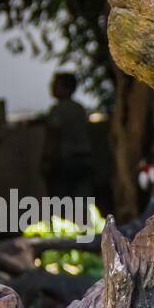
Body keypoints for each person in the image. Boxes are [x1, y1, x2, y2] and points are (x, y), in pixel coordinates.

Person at [42, 72, 93, 208]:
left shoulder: (58, 110)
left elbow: (53, 134)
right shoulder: (79, 109)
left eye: (56, 84)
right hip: (83, 160)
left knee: (62, 204)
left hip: (65, 162)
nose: (51, 87)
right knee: (82, 204)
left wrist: (46, 159)